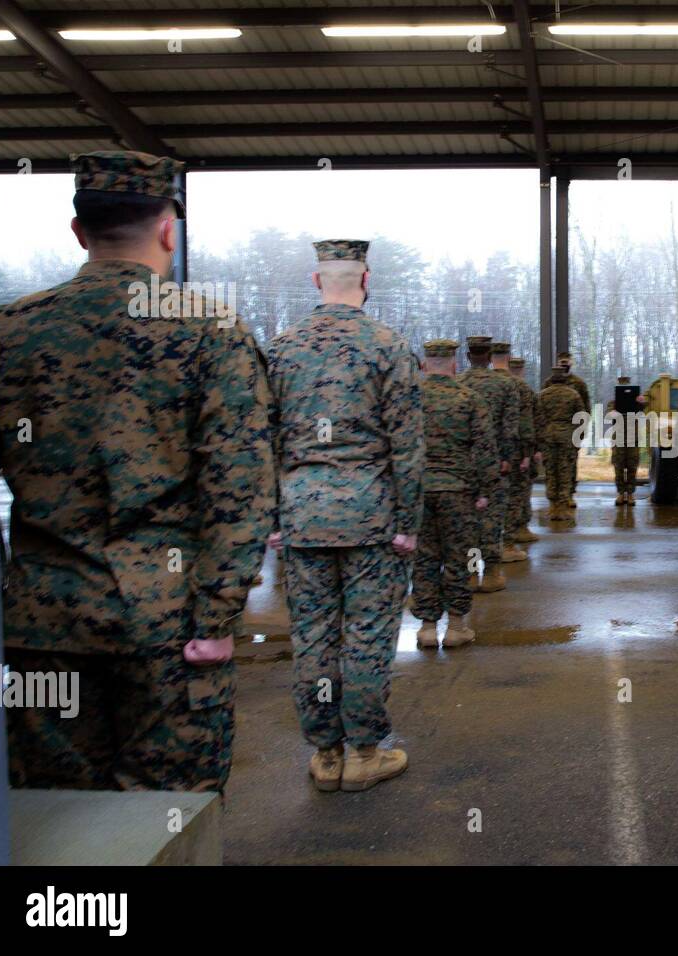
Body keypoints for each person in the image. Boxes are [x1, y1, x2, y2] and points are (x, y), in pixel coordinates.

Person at [0, 150, 276, 792]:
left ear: (78, 231)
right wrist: (217, 618)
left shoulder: (5, 333)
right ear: (168, 229)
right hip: (169, 627)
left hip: (44, 624)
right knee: (167, 817)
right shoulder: (210, 331)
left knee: (53, 817)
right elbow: (241, 486)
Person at [268, 239, 423, 793]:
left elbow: (262, 439)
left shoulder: (282, 349)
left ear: (316, 281)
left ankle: (326, 754)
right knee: (367, 633)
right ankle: (363, 753)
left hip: (303, 515)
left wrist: (272, 516)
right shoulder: (389, 346)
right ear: (366, 278)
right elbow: (407, 445)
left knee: (312, 635)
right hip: (371, 515)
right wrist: (409, 522)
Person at [414, 340, 498, 650]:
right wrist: (485, 490)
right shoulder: (470, 399)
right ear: (453, 364)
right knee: (457, 557)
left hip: (420, 490)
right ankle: (456, 626)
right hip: (458, 490)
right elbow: (485, 449)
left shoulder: (411, 399)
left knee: (423, 559)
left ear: (425, 365)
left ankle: (425, 628)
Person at [459, 336, 521, 592]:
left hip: (463, 464)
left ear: (468, 356)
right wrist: (507, 458)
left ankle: (471, 574)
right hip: (494, 461)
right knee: (493, 517)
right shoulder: (506, 385)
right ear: (489, 356)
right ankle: (493, 573)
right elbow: (510, 428)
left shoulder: (458, 384)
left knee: (467, 518)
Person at [490, 342, 533, 561]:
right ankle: (507, 544)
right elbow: (524, 423)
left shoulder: (472, 382)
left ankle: (482, 549)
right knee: (512, 495)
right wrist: (527, 452)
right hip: (511, 450)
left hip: (483, 452)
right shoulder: (518, 386)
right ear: (508, 358)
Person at [538, 366, 587, 521]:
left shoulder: (542, 395)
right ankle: (564, 506)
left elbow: (537, 418)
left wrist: (539, 439)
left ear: (551, 379)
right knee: (565, 471)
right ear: (565, 380)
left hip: (548, 435)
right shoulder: (573, 395)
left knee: (551, 471)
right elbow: (581, 418)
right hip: (567, 435)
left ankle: (553, 508)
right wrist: (579, 438)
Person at [543, 352, 590, 506]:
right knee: (551, 465)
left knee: (570, 463)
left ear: (570, 363)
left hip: (571, 430)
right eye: (561, 363)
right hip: (552, 432)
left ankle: (569, 494)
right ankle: (555, 495)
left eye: (566, 362)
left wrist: (581, 433)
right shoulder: (548, 383)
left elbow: (585, 410)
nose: (564, 365)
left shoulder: (579, 383)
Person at [505, 356, 539, 544]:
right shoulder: (525, 390)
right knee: (520, 491)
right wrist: (530, 452)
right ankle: (518, 529)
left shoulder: (496, 384)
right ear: (522, 370)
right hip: (518, 448)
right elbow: (530, 422)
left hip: (492, 449)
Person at [608, 375, 643, 506]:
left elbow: (643, 410)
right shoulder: (614, 402)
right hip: (619, 439)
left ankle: (631, 494)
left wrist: (641, 402)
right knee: (619, 467)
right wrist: (616, 411)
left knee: (632, 466)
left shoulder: (636, 401)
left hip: (633, 438)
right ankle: (621, 494)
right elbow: (609, 415)